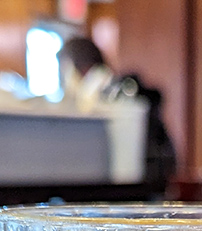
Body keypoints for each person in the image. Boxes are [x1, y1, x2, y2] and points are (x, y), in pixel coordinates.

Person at [58, 37, 176, 188]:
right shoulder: (120, 90)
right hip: (144, 185)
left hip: (124, 187)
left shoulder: (103, 98)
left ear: (73, 67)